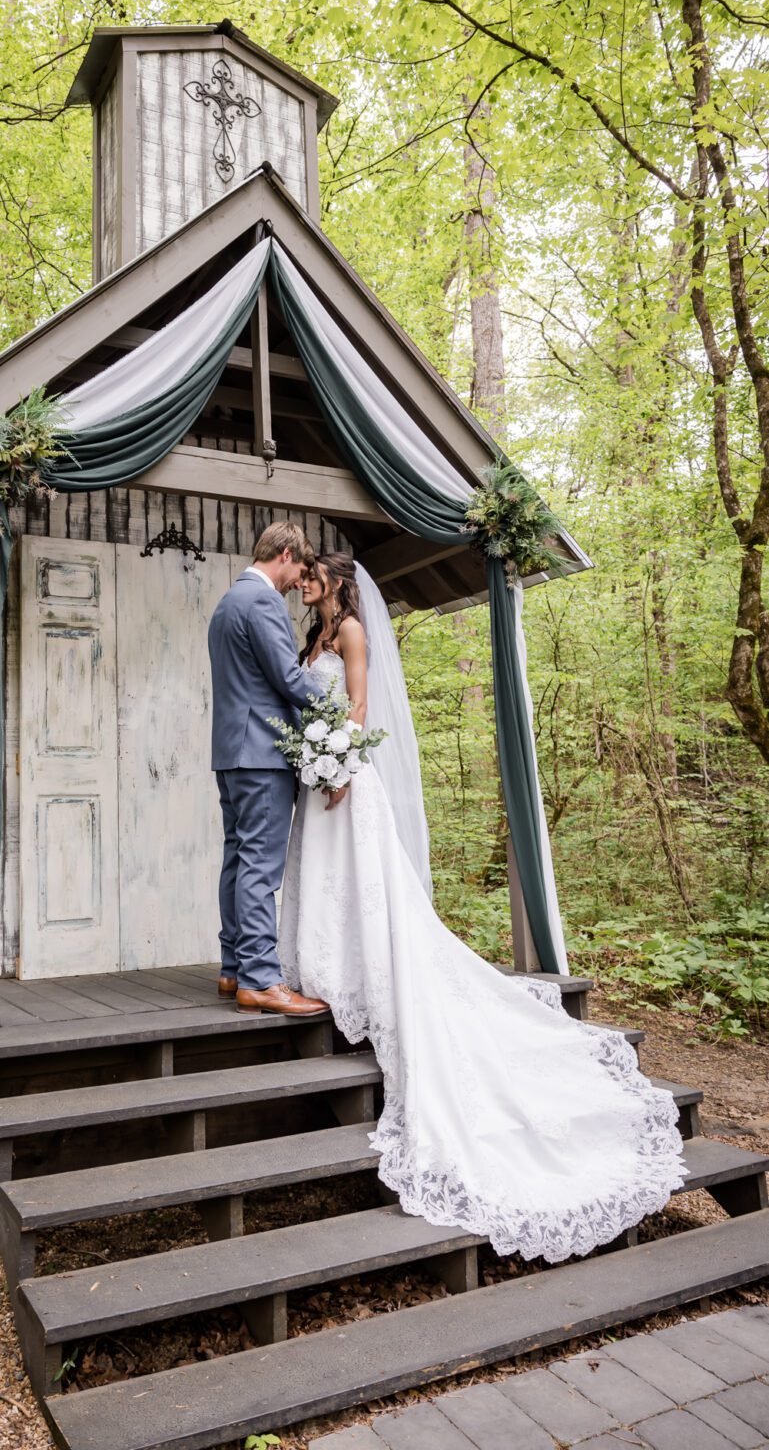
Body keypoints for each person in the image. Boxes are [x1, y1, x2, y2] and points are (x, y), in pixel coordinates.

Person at [278, 551, 688, 1263]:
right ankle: (322, 967)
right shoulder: (306, 636)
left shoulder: (349, 634)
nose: (305, 581)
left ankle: (362, 971)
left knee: (368, 887)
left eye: (314, 574)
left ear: (338, 584)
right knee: (320, 878)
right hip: (317, 776)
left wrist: (338, 760)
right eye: (302, 573)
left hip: (346, 774)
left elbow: (359, 704)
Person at [207, 522, 330, 1018]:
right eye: (298, 571)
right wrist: (338, 712)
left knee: (238, 858)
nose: (297, 584)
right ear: (284, 554)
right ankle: (260, 979)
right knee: (260, 863)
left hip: (233, 753)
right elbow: (286, 677)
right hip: (262, 752)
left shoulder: (226, 603)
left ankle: (234, 966)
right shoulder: (261, 602)